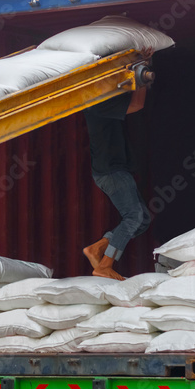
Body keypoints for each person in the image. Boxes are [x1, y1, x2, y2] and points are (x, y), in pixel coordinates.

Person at [82, 85, 151, 280]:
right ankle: (105, 264)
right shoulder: (97, 104)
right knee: (133, 217)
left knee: (142, 219)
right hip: (112, 171)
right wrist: (142, 75)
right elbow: (137, 104)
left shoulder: (100, 103)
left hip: (115, 170)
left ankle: (96, 249)